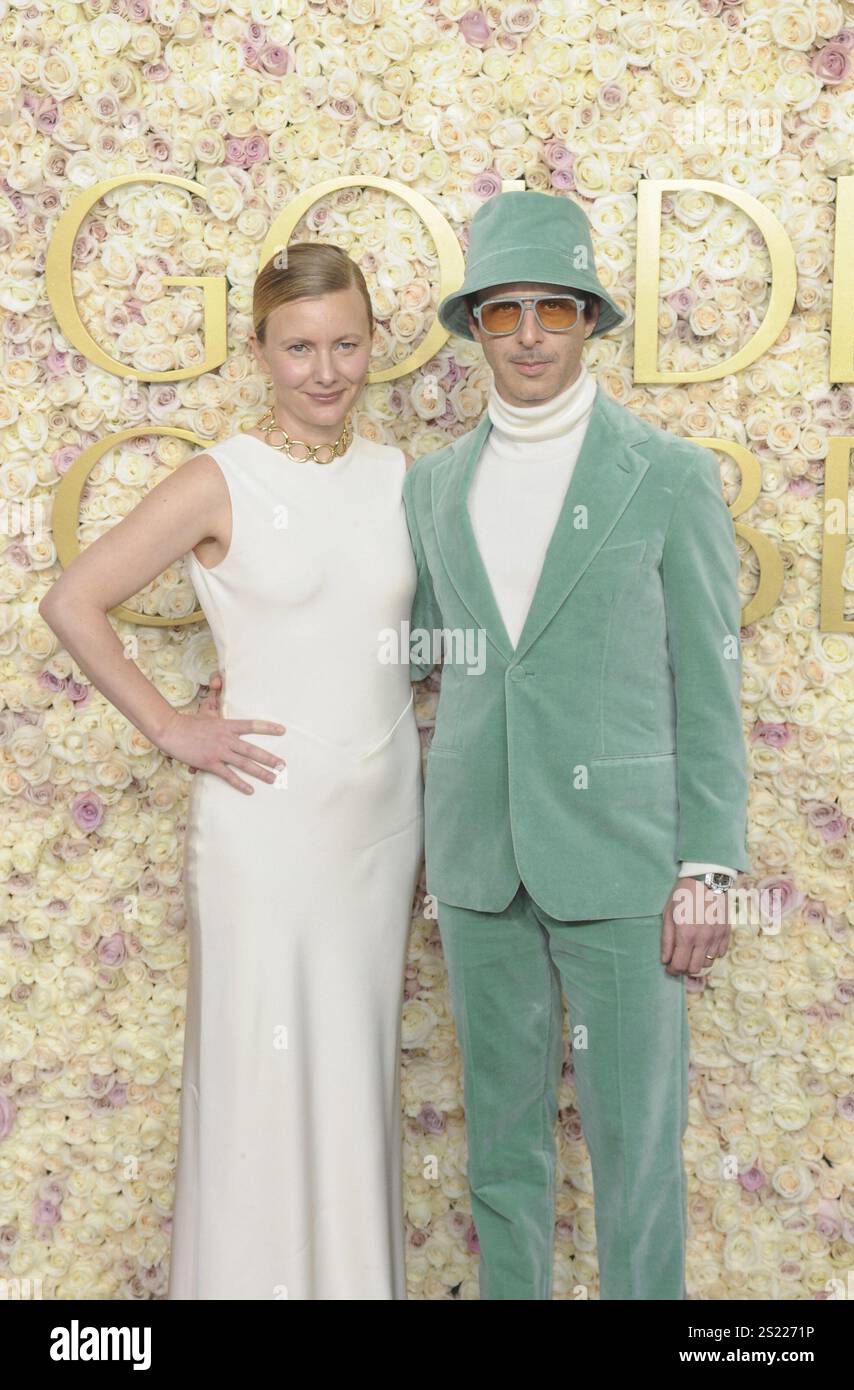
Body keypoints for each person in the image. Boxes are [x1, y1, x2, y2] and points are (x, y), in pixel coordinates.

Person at [38, 243, 425, 1299]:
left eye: (346, 343)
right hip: (264, 826)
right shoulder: (220, 478)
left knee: (354, 1077)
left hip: (383, 828)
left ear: (372, 343)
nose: (325, 369)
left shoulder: (403, 482)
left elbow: (416, 638)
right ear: (259, 351)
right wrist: (170, 723)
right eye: (299, 347)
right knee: (259, 1074)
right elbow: (72, 601)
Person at [400, 189, 751, 1299]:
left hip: (625, 860)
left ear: (591, 319)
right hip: (476, 859)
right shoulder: (432, 488)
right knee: (501, 1151)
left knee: (636, 1150)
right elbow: (426, 649)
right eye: (504, 312)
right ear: (475, 332)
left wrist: (709, 866)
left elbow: (710, 677)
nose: (532, 333)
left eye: (555, 306)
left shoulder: (669, 475)